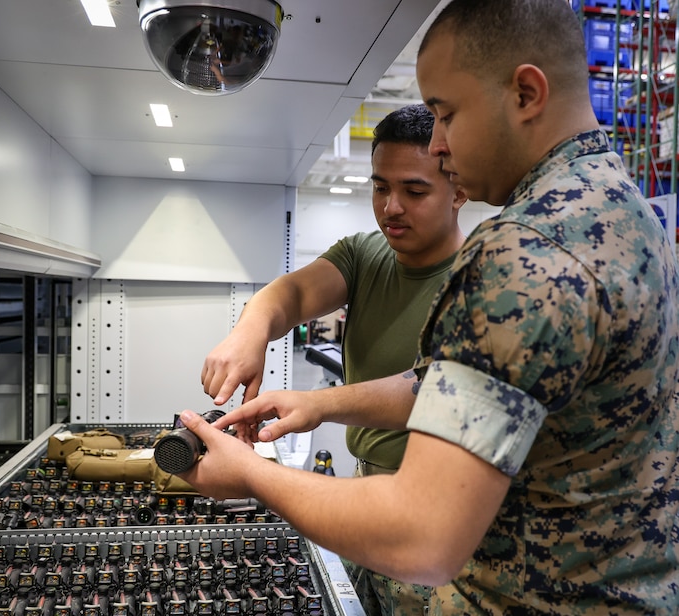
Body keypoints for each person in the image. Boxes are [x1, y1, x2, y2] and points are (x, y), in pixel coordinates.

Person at [181, 1, 679, 613]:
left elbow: (421, 536)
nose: (439, 144)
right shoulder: (625, 213)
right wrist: (318, 403)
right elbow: (459, 390)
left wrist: (250, 473)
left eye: (446, 114)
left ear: (526, 94)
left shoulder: (526, 248)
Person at [200, 103, 467, 614]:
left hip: (436, 510)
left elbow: (433, 392)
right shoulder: (366, 254)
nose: (391, 207)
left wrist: (319, 404)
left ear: (458, 190)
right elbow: (292, 294)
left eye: (414, 191)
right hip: (366, 489)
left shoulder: (478, 280)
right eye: (380, 187)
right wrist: (250, 332)